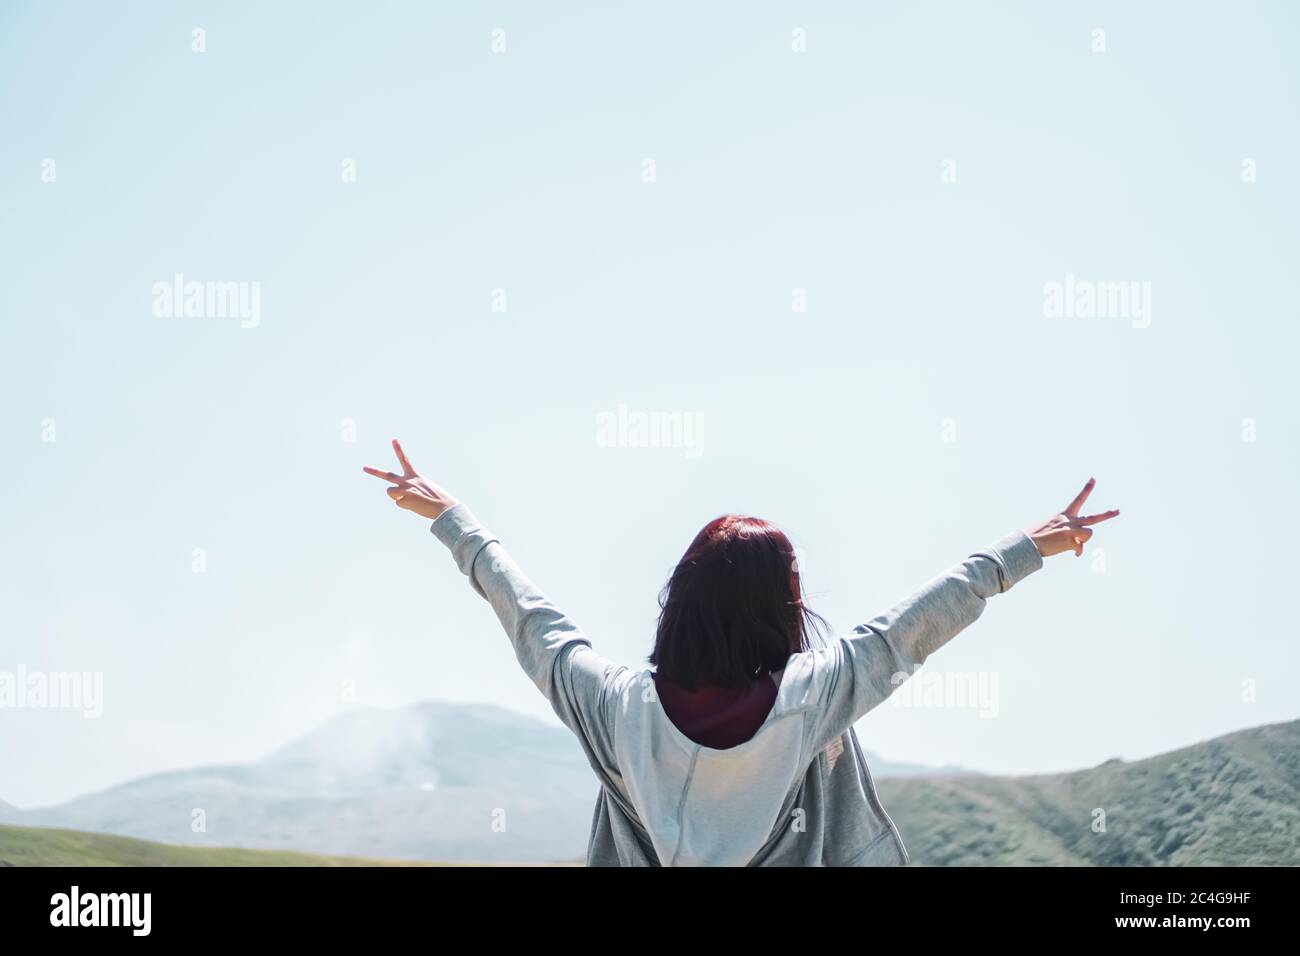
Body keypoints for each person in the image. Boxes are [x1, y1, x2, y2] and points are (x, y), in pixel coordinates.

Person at [364, 439, 1119, 866]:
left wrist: (452, 518)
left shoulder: (612, 705)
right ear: (782, 607)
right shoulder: (813, 700)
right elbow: (917, 624)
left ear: (682, 596)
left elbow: (529, 615)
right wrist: (1028, 548)